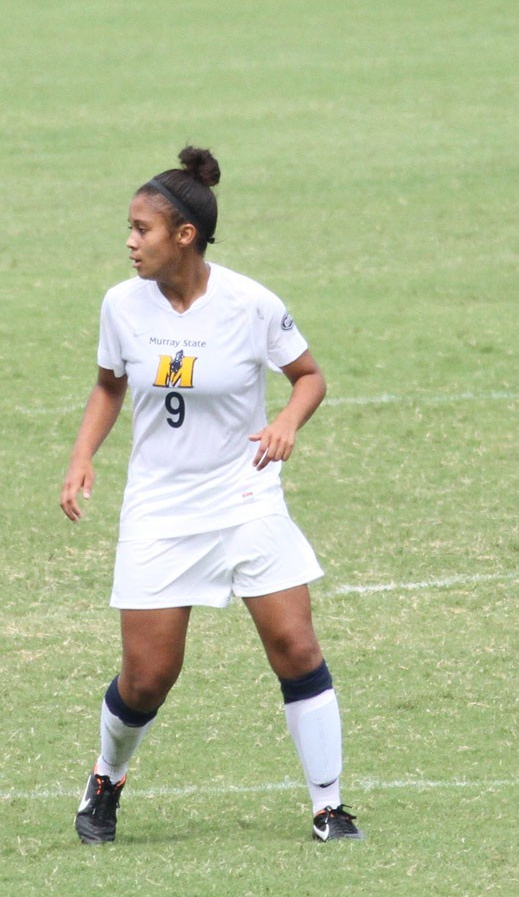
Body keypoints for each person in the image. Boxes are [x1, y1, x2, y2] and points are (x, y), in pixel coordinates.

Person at [60, 147, 361, 844]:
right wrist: (81, 457)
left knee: (294, 644)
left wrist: (286, 423)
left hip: (244, 496)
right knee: (147, 678)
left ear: (185, 235)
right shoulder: (121, 304)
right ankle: (107, 777)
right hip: (160, 509)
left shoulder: (250, 304)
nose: (130, 241)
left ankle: (329, 806)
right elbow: (109, 384)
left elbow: (309, 376)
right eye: (130, 228)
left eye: (142, 229)